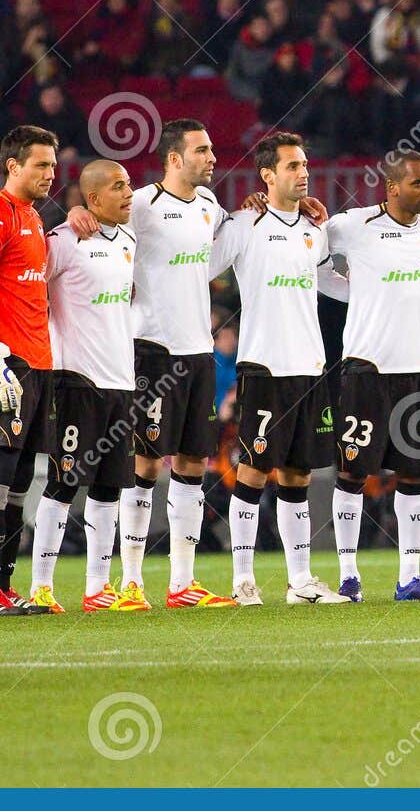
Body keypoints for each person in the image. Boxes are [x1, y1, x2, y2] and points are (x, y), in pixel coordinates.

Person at [68, 119, 327, 608]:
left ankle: (182, 584)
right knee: (143, 464)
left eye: (211, 150)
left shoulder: (211, 207)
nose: (212, 158)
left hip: (198, 352)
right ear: (173, 159)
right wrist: (79, 211)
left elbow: (248, 233)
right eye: (202, 151)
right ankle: (131, 582)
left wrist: (273, 206)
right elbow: (97, 210)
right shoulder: (140, 204)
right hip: (151, 349)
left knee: (192, 465)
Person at [208, 132, 351, 606]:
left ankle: (301, 582)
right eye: (292, 165)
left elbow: (330, 279)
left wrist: (378, 293)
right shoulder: (244, 224)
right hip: (264, 367)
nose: (303, 172)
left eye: (304, 164)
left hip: (309, 368)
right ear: (268, 175)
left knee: (298, 475)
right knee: (252, 470)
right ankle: (243, 579)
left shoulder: (315, 229)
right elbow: (198, 267)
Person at [324, 151, 420, 602]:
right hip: (367, 369)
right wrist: (346, 289)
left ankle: (409, 579)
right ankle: (348, 576)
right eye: (418, 183)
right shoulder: (352, 226)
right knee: (352, 473)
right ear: (392, 187)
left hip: (418, 369)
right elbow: (310, 249)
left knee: (415, 475)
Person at [27, 160, 147, 613]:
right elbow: (31, 293)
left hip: (121, 379)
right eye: (119, 187)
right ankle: (42, 586)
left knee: (109, 486)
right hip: (75, 379)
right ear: (92, 199)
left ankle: (98, 588)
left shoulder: (128, 239)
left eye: (130, 184)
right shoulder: (64, 240)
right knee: (63, 482)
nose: (129, 193)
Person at [0, 125, 59, 616]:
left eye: (53, 164)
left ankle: (4, 587)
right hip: (6, 362)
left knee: (22, 480)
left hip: (38, 364)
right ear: (13, 166)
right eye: (40, 164)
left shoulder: (34, 218)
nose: (50, 173)